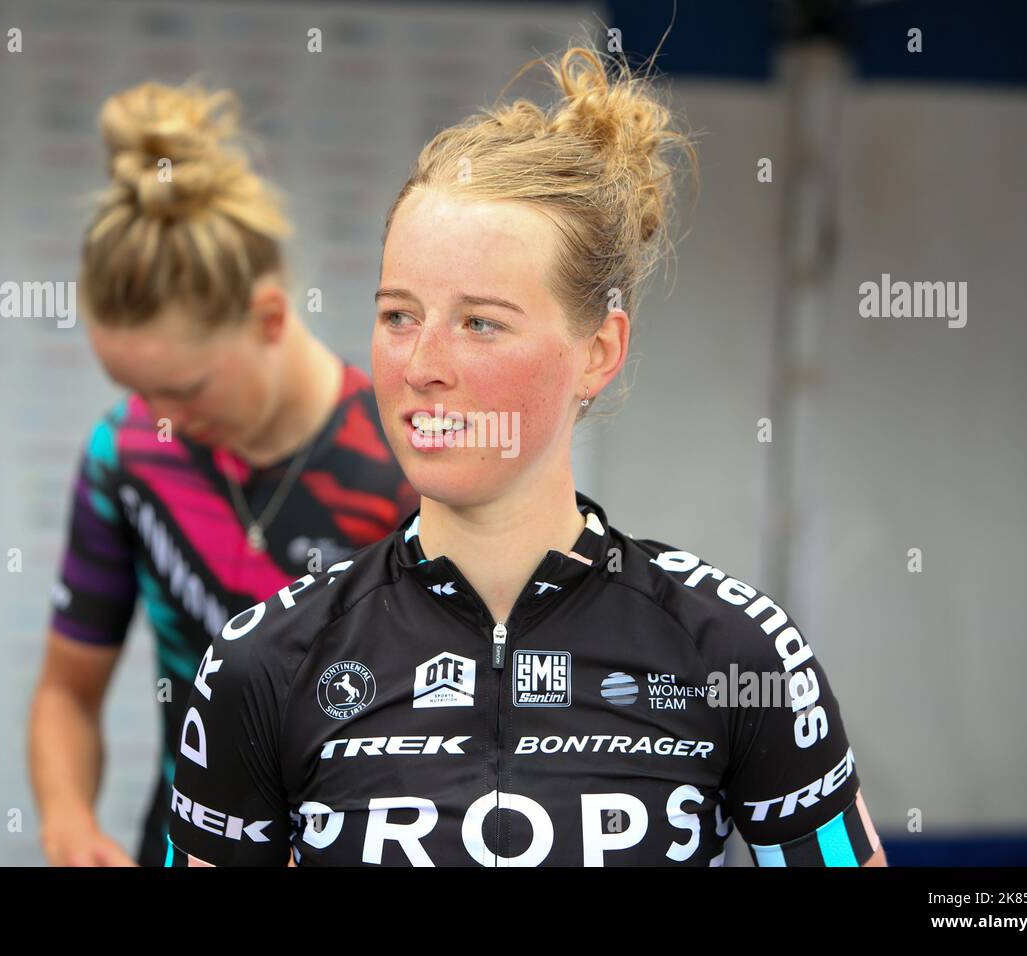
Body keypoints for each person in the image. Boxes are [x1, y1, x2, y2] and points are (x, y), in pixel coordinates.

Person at [165, 47, 886, 867]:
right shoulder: (263, 663)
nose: (422, 363)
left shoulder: (736, 653)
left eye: (481, 322)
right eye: (400, 315)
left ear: (598, 350)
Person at [28, 81, 417, 867]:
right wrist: (67, 822)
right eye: (135, 388)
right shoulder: (129, 455)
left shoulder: (404, 467)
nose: (158, 411)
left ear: (271, 317)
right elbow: (68, 689)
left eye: (185, 387)